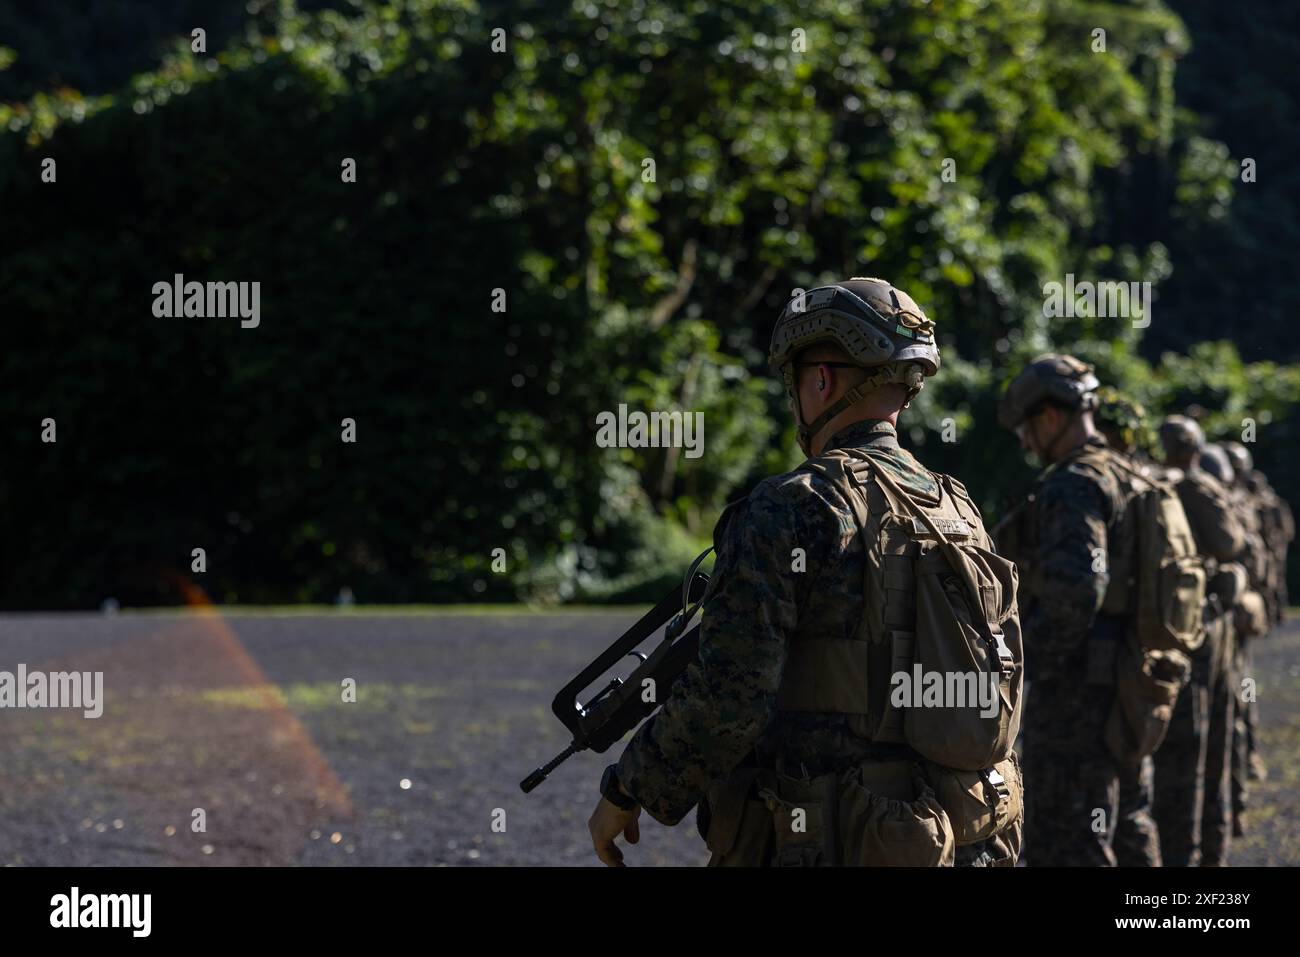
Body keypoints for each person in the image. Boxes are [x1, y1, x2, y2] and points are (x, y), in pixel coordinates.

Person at [588, 277, 1023, 867]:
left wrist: (629, 786)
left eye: (793, 380)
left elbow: (729, 697)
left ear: (820, 378)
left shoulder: (793, 504)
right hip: (954, 833)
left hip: (826, 838)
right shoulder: (958, 508)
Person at [996, 354, 1128, 866]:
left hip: (1076, 695)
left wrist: (1021, 666)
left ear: (1050, 417)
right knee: (1116, 823)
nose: (1025, 443)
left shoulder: (1072, 484)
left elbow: (1077, 592)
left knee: (1064, 838)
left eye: (1027, 429)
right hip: (1120, 684)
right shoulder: (1125, 470)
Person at [1152, 417, 1245, 866]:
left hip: (1169, 630)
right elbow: (1231, 543)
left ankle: (1183, 850)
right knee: (1210, 751)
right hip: (1206, 634)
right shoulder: (1199, 487)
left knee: (1177, 753)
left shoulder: (1153, 482)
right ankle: (1208, 852)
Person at [1093, 387, 1162, 867]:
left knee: (1094, 810)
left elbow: (1077, 592)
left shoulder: (1092, 482)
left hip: (1099, 667)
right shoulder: (1145, 483)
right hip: (1142, 659)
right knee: (1134, 801)